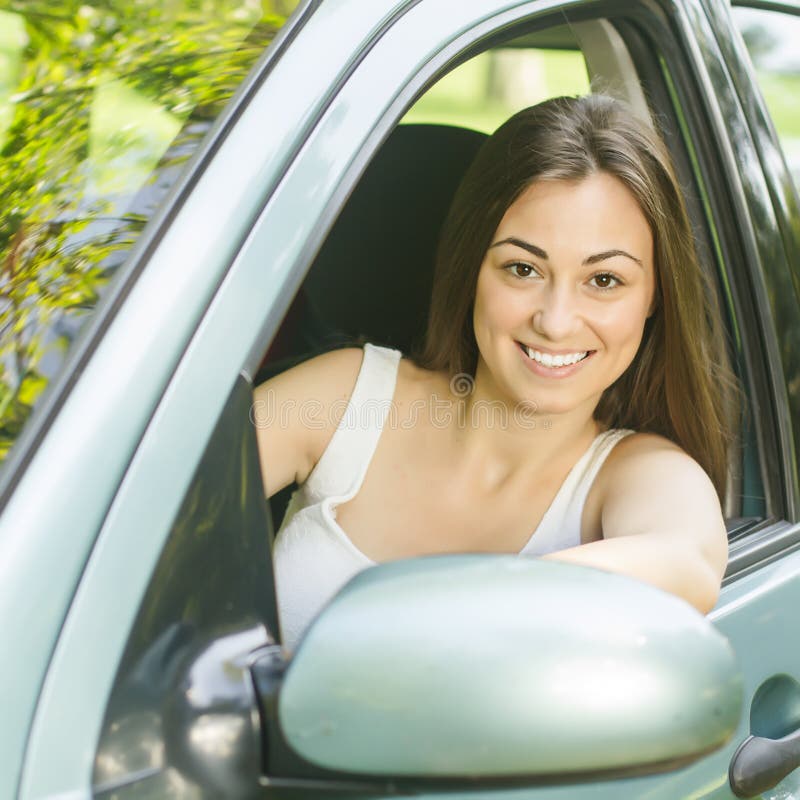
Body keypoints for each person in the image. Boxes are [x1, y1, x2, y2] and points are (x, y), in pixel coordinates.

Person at [253, 94, 737, 650]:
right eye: (523, 268)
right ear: (473, 270)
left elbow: (686, 562)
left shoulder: (637, 475)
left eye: (604, 280)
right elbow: (153, 489)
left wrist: (446, 616)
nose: (555, 323)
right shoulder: (344, 397)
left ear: (654, 297)